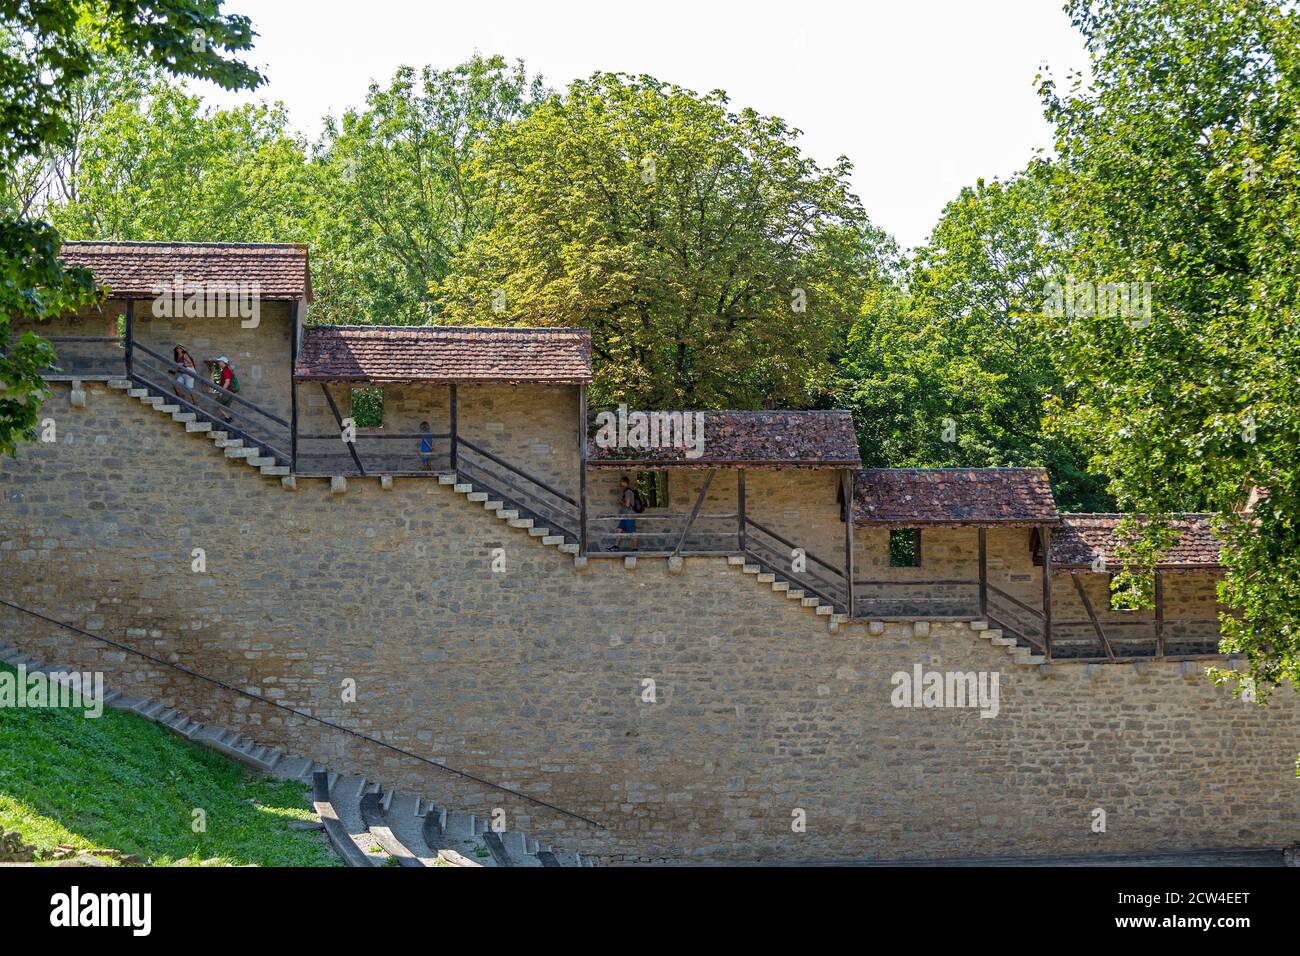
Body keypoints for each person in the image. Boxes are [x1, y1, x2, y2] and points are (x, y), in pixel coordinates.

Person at [615, 475, 638, 551]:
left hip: (629, 515)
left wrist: (620, 501)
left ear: (625, 482)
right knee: (618, 530)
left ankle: (634, 548)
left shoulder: (628, 492)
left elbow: (627, 505)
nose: (620, 483)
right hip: (625, 515)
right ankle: (616, 546)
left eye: (621, 481)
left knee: (631, 532)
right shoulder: (625, 491)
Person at [212, 355, 237, 422]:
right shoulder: (227, 370)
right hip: (230, 393)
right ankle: (228, 420)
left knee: (216, 403)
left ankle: (228, 418)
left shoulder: (225, 370)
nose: (218, 362)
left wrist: (221, 391)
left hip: (226, 392)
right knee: (225, 408)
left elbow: (227, 381)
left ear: (223, 362)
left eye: (220, 361)